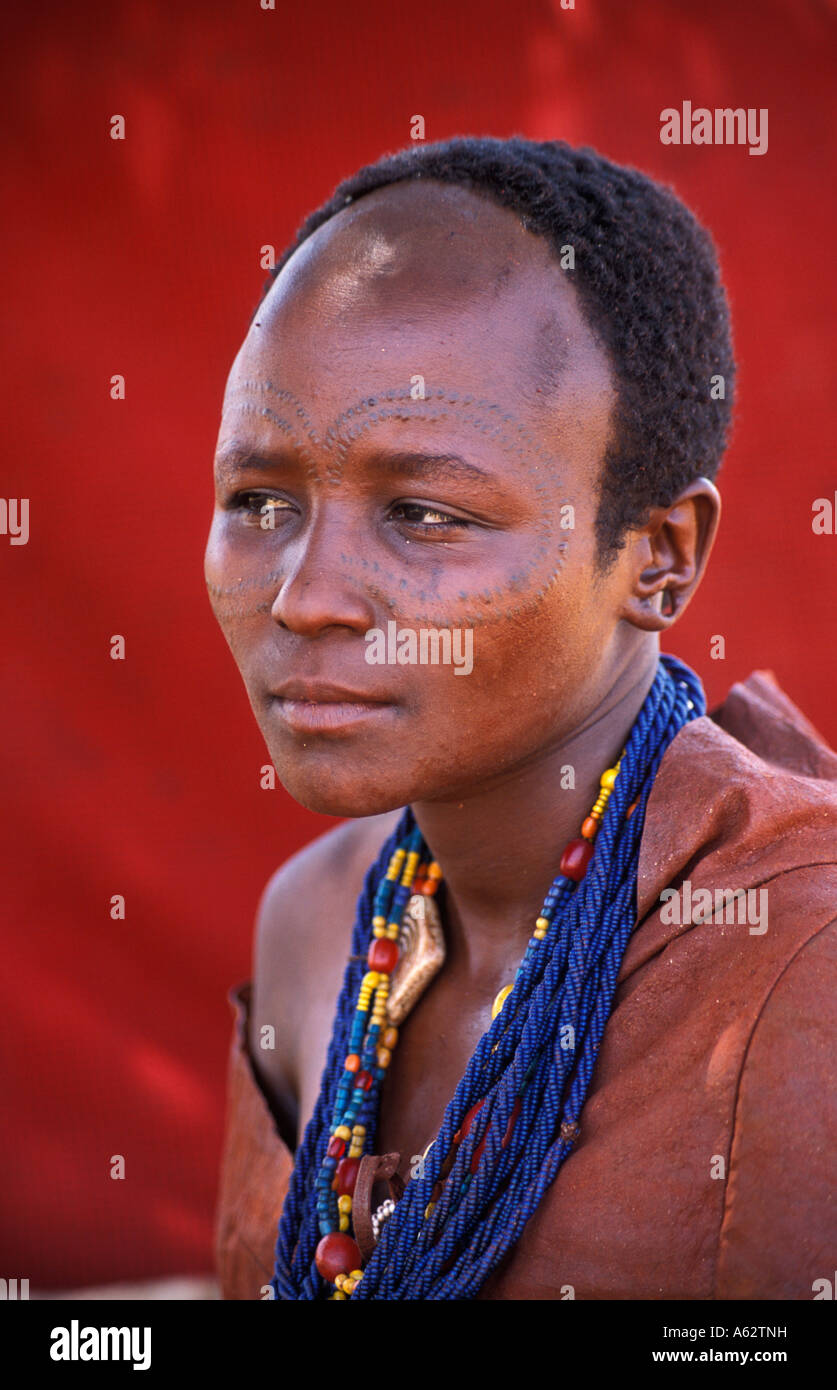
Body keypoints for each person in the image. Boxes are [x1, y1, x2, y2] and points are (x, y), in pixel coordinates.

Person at [205, 136, 836, 1300]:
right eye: (259, 500)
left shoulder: (797, 966)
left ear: (658, 555)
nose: (304, 597)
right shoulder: (320, 925)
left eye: (425, 513)